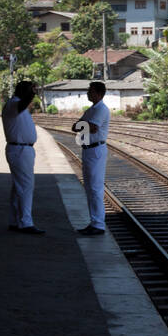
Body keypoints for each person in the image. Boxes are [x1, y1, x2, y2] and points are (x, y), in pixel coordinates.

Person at [1, 80, 44, 234]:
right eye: (30, 91)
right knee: (25, 186)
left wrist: (31, 92)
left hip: (22, 150)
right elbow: (23, 103)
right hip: (19, 150)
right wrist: (32, 93)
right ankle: (26, 223)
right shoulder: (14, 104)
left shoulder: (17, 104)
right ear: (24, 92)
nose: (32, 95)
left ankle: (14, 221)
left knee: (18, 187)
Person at [71, 79, 110, 236]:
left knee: (95, 188)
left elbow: (92, 128)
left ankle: (98, 224)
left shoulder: (101, 109)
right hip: (88, 149)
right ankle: (94, 221)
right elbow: (75, 127)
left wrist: (83, 124)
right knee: (89, 187)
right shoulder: (91, 109)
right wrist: (84, 124)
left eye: (90, 91)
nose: (87, 93)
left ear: (98, 93)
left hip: (96, 150)